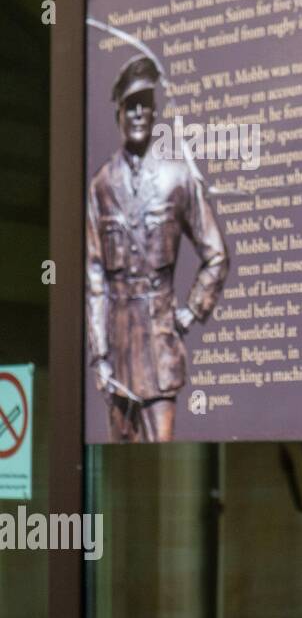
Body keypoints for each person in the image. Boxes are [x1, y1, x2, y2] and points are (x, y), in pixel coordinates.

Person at [86, 54, 228, 442]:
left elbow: (216, 255)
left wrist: (192, 311)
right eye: (130, 106)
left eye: (145, 105)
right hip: (117, 357)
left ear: (154, 112)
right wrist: (99, 356)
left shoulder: (176, 178)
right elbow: (94, 275)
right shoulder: (102, 185)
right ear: (118, 111)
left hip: (159, 352)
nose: (137, 114)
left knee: (163, 451)